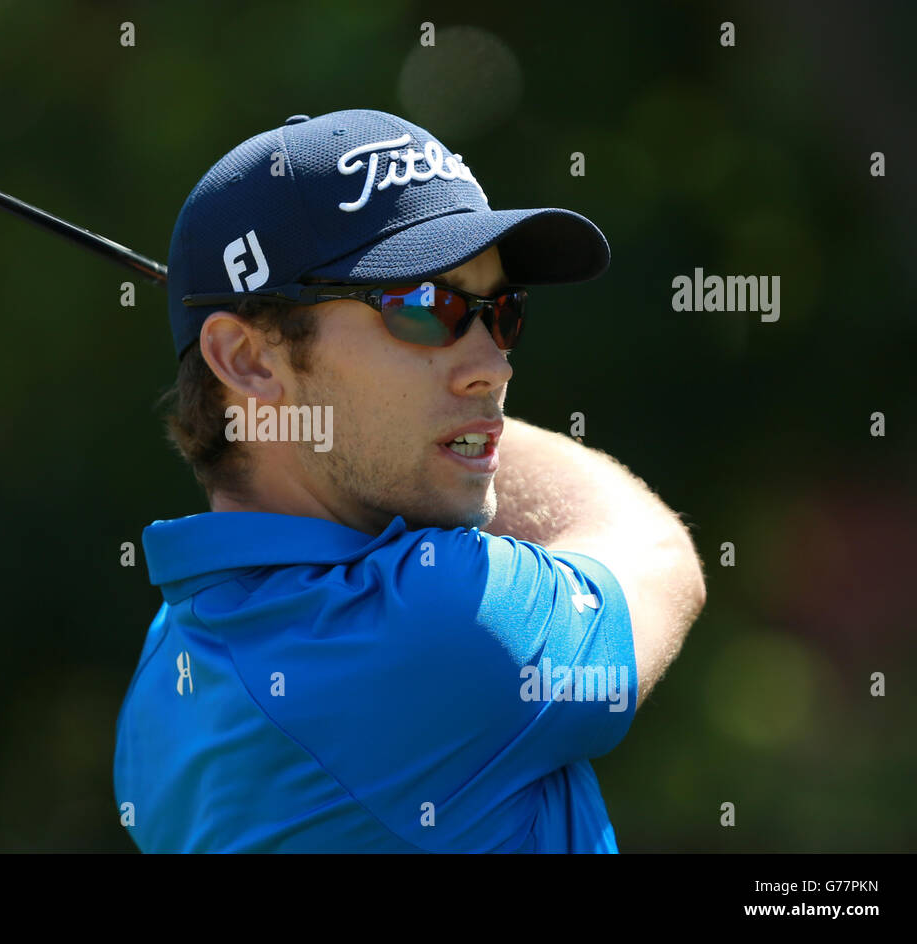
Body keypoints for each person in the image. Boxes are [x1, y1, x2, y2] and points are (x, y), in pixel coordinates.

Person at [113, 109, 706, 852]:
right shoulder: (438, 622)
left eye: (501, 312)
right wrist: (470, 431)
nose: (495, 366)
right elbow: (656, 554)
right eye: (426, 307)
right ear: (248, 360)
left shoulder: (167, 667)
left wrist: (444, 425)